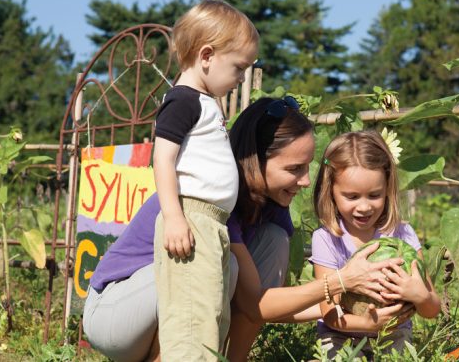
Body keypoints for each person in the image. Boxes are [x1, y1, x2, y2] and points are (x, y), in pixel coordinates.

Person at [84, 98, 413, 362]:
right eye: (293, 169)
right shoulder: (214, 195)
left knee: (271, 242)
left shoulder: (273, 209)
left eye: (307, 167)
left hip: (164, 307)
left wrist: (353, 312)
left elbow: (264, 306)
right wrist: (341, 281)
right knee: (222, 264)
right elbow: (256, 302)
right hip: (115, 317)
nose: (304, 180)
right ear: (257, 160)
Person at [150, 0, 259, 360]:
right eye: (239, 67)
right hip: (192, 220)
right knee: (192, 322)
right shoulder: (183, 101)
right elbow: (162, 159)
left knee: (211, 316)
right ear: (207, 55)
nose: (242, 76)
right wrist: (175, 217)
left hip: (211, 225)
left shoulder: (203, 101)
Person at [310, 130, 441, 358]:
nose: (364, 207)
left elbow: (432, 310)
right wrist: (366, 323)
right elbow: (330, 314)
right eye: (351, 197)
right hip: (341, 334)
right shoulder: (325, 238)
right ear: (330, 191)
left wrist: (421, 296)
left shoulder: (402, 234)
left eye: (374, 195)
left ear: (388, 189)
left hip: (394, 333)